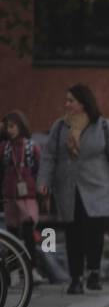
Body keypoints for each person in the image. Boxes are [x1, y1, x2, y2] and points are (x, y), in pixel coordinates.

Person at [35, 85, 109, 294]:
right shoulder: (60, 127)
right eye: (67, 100)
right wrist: (43, 182)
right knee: (74, 234)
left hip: (98, 188)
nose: (67, 104)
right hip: (68, 189)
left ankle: (94, 272)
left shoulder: (104, 127)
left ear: (83, 103)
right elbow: (49, 157)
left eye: (71, 100)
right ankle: (76, 278)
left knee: (95, 233)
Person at [1, 111, 47, 280]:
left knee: (28, 232)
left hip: (28, 195)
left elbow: (40, 169)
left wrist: (42, 190)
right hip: (10, 195)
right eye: (7, 127)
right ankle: (13, 270)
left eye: (13, 126)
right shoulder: (5, 147)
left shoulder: (31, 147)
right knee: (11, 235)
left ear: (21, 126)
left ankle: (31, 269)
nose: (10, 130)